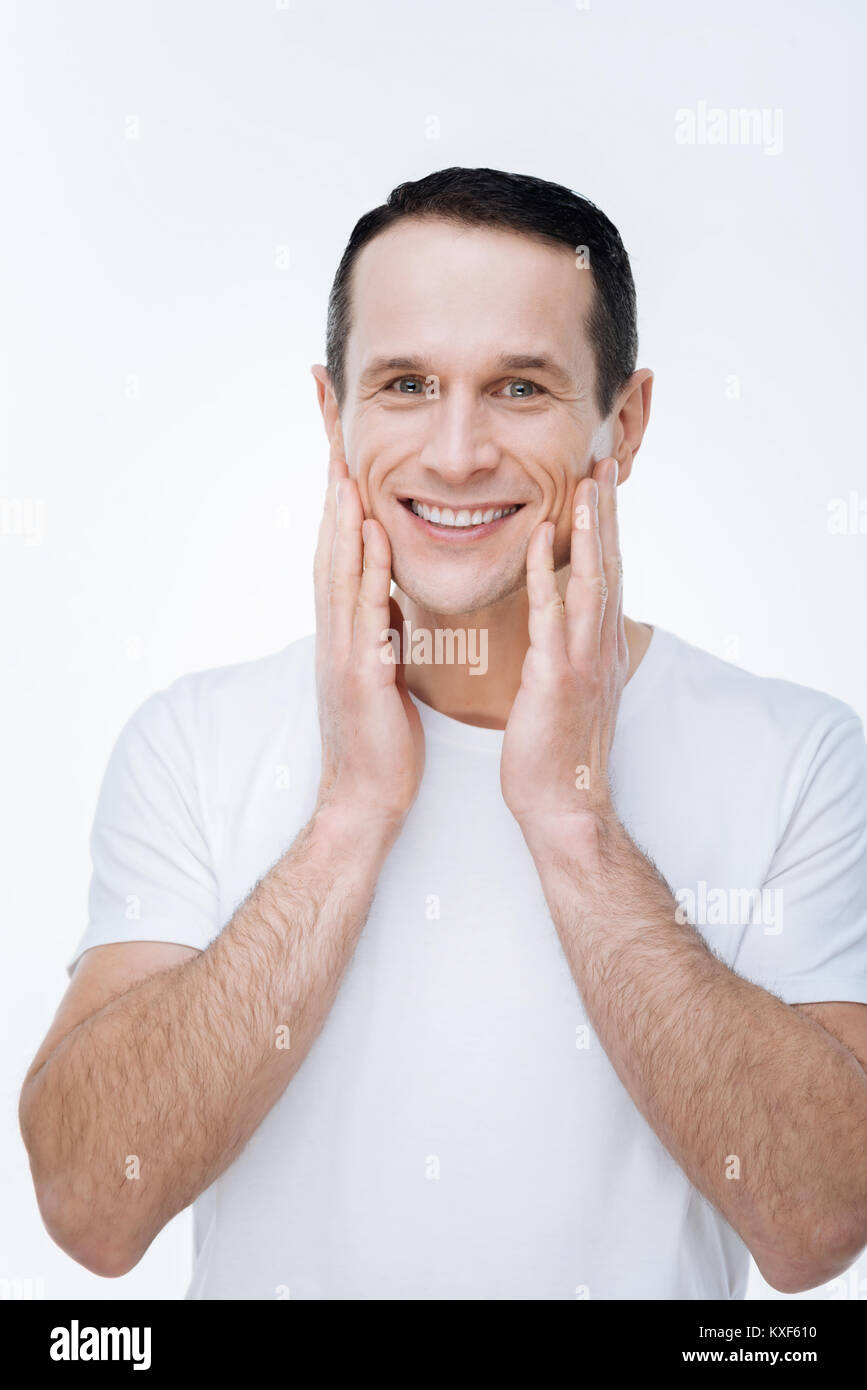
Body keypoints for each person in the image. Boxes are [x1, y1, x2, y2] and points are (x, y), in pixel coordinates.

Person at [19, 167, 867, 1300]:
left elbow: (818, 1226)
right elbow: (90, 1207)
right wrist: (350, 816)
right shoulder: (192, 744)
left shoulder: (798, 756)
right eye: (408, 383)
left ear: (625, 420)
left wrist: (571, 821)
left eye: (520, 387)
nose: (457, 452)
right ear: (335, 415)